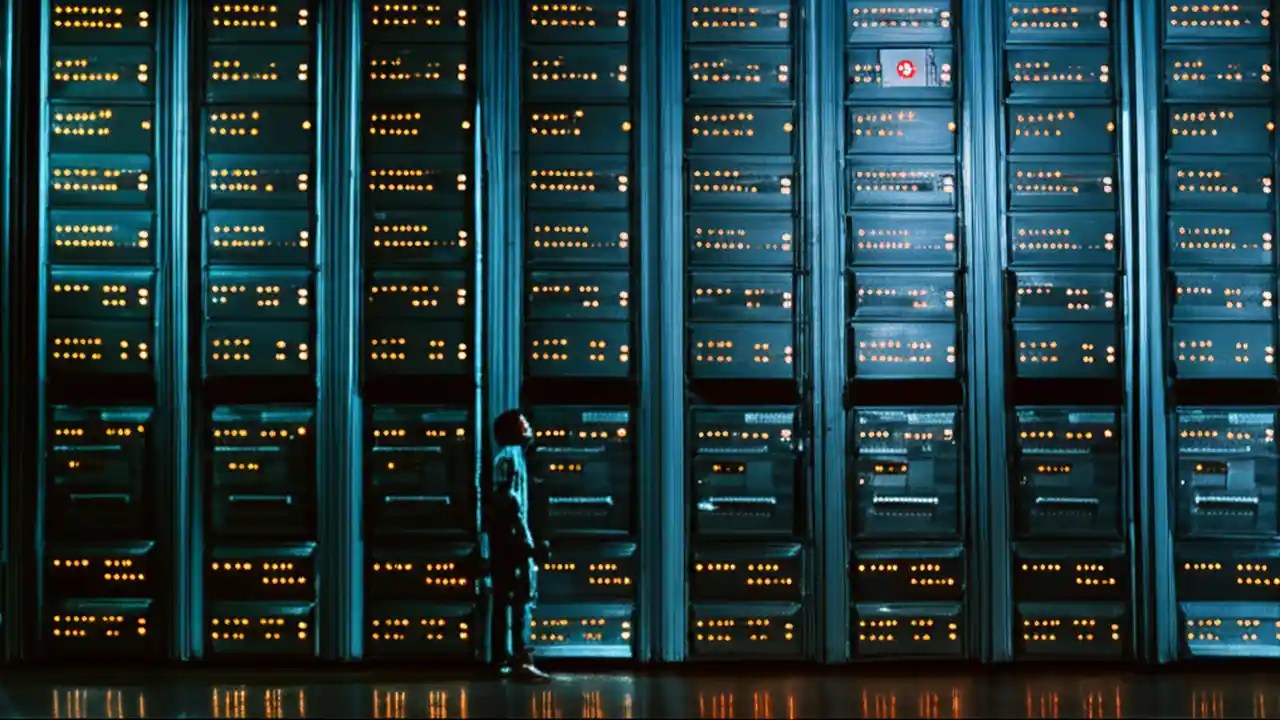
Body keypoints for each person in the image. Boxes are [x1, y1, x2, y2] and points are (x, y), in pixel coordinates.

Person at [486, 409, 552, 682]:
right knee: (521, 599)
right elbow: (510, 503)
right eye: (522, 422)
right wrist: (528, 543)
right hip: (512, 544)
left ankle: (504, 658)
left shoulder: (509, 458)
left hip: (506, 541)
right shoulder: (510, 458)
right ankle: (521, 660)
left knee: (505, 600)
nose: (527, 425)